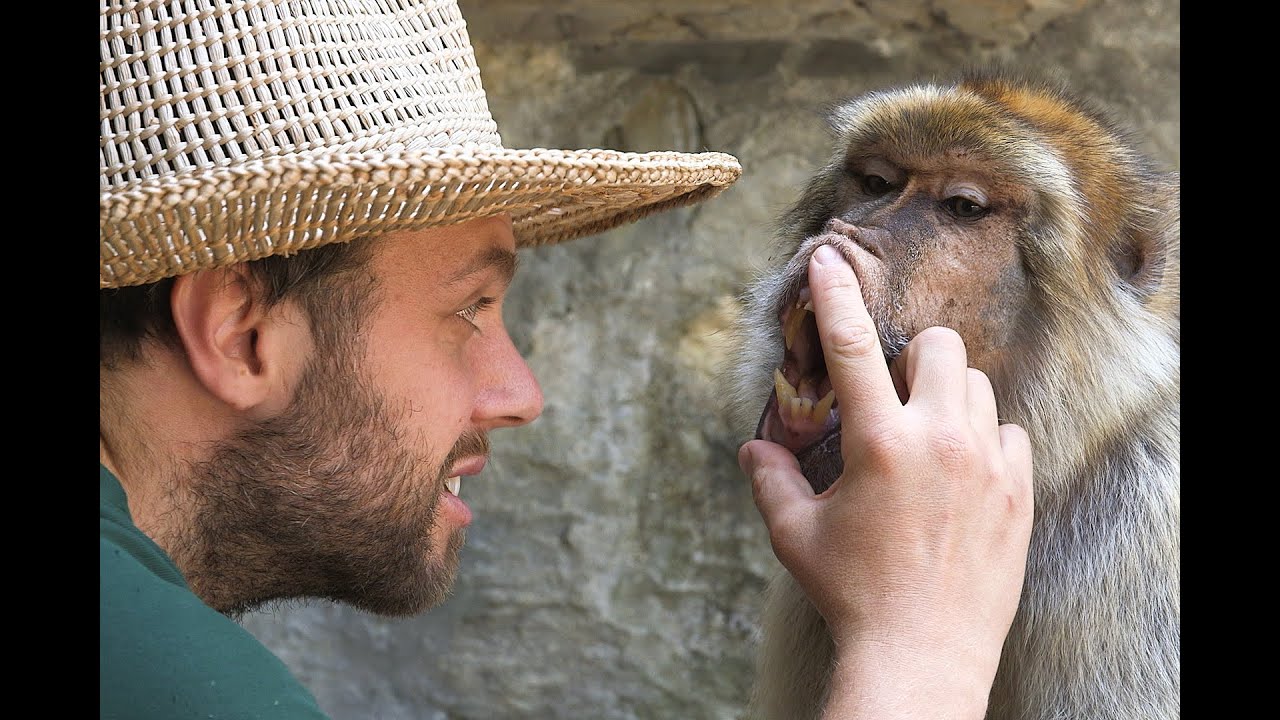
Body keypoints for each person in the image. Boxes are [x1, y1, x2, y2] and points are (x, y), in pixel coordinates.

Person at [99, 1, 1034, 719]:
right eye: (469, 309)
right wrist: (921, 651)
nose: (522, 395)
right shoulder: (170, 684)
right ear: (239, 334)